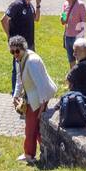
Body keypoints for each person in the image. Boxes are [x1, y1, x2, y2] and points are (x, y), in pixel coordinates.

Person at [9, 35, 56, 164]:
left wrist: (41, 105)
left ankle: (29, 155)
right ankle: (46, 151)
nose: (15, 54)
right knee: (35, 127)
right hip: (34, 96)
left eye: (17, 51)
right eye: (12, 52)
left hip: (39, 97)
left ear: (24, 48)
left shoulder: (32, 61)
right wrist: (15, 96)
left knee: (31, 128)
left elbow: (40, 84)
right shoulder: (20, 59)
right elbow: (19, 79)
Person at [0, 0, 41, 93]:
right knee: (17, 68)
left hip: (30, 43)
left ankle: (27, 91)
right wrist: (9, 36)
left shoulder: (30, 5)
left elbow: (36, 19)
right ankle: (15, 93)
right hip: (19, 44)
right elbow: (3, 20)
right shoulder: (16, 5)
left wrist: (38, 5)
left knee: (30, 66)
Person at [59, 0, 86, 64]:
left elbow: (84, 22)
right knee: (71, 59)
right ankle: (73, 75)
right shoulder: (65, 4)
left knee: (80, 60)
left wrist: (82, 37)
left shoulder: (80, 5)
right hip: (68, 36)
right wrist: (62, 18)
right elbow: (63, 21)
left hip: (77, 37)